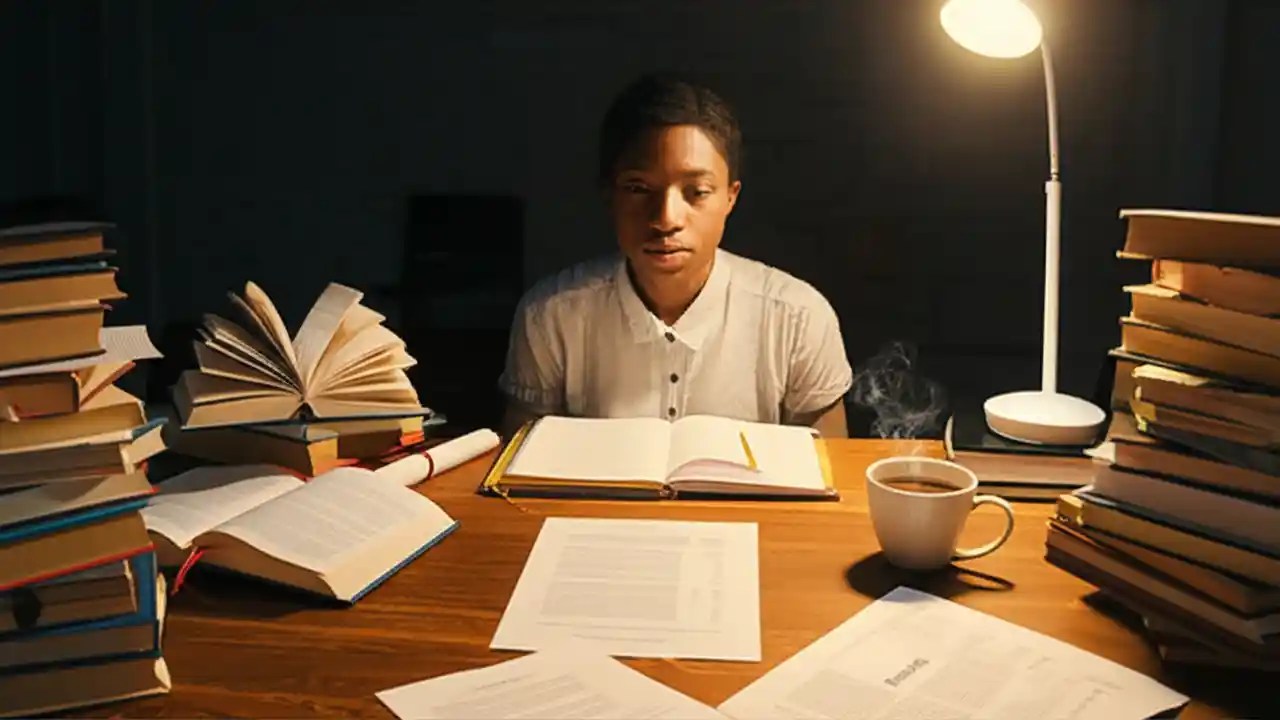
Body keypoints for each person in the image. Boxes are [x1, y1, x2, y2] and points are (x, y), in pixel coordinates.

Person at [498, 73, 853, 438]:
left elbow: (831, 479)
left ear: (730, 196)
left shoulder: (798, 318)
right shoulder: (552, 316)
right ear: (609, 194)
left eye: (696, 191)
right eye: (639, 188)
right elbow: (516, 475)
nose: (666, 218)